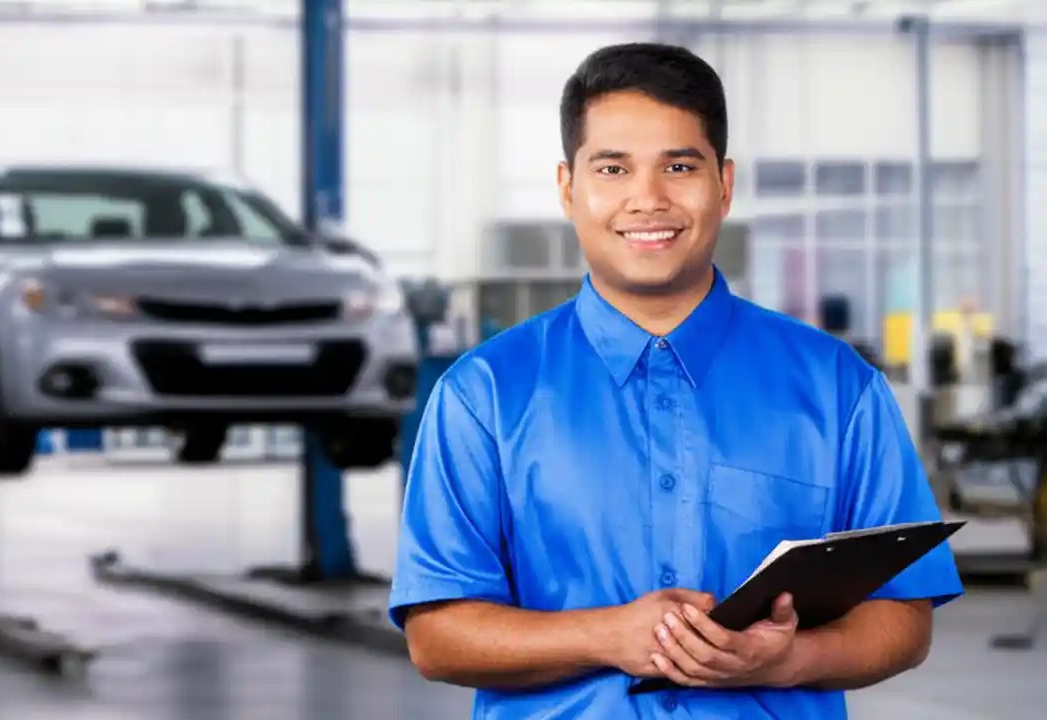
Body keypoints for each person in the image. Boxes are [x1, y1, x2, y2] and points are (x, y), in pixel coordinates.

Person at [387, 42, 963, 719]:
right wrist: (609, 635)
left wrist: (789, 660)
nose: (648, 199)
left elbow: (903, 619)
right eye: (613, 168)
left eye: (679, 166)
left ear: (724, 183)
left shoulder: (839, 389)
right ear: (569, 187)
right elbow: (436, 636)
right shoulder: (482, 395)